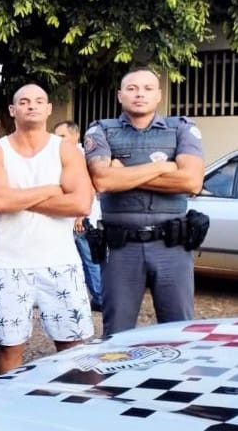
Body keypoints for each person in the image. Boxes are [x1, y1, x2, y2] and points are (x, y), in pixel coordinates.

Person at [0, 84, 94, 375]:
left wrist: (18, 198)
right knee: (10, 346)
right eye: (25, 101)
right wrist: (52, 190)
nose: (32, 105)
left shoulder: (66, 151)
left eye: (39, 101)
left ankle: (76, 403)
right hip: (9, 262)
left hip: (60, 260)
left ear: (48, 109)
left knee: (72, 343)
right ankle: (8, 407)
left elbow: (81, 203)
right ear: (12, 110)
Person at [83, 67, 206, 335]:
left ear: (159, 95)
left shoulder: (181, 128)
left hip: (172, 247)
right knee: (117, 333)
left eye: (148, 88)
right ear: (119, 95)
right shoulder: (102, 130)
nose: (140, 94)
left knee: (179, 331)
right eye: (132, 88)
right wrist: (165, 167)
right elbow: (103, 181)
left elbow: (192, 182)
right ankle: (116, 379)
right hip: (120, 249)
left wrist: (122, 173)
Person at [53, 120, 103, 311]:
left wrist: (80, 217)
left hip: (80, 219)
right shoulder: (63, 156)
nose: (58, 140)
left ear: (75, 136)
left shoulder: (82, 157)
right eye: (56, 136)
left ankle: (99, 297)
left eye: (62, 136)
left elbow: (89, 188)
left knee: (88, 259)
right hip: (67, 217)